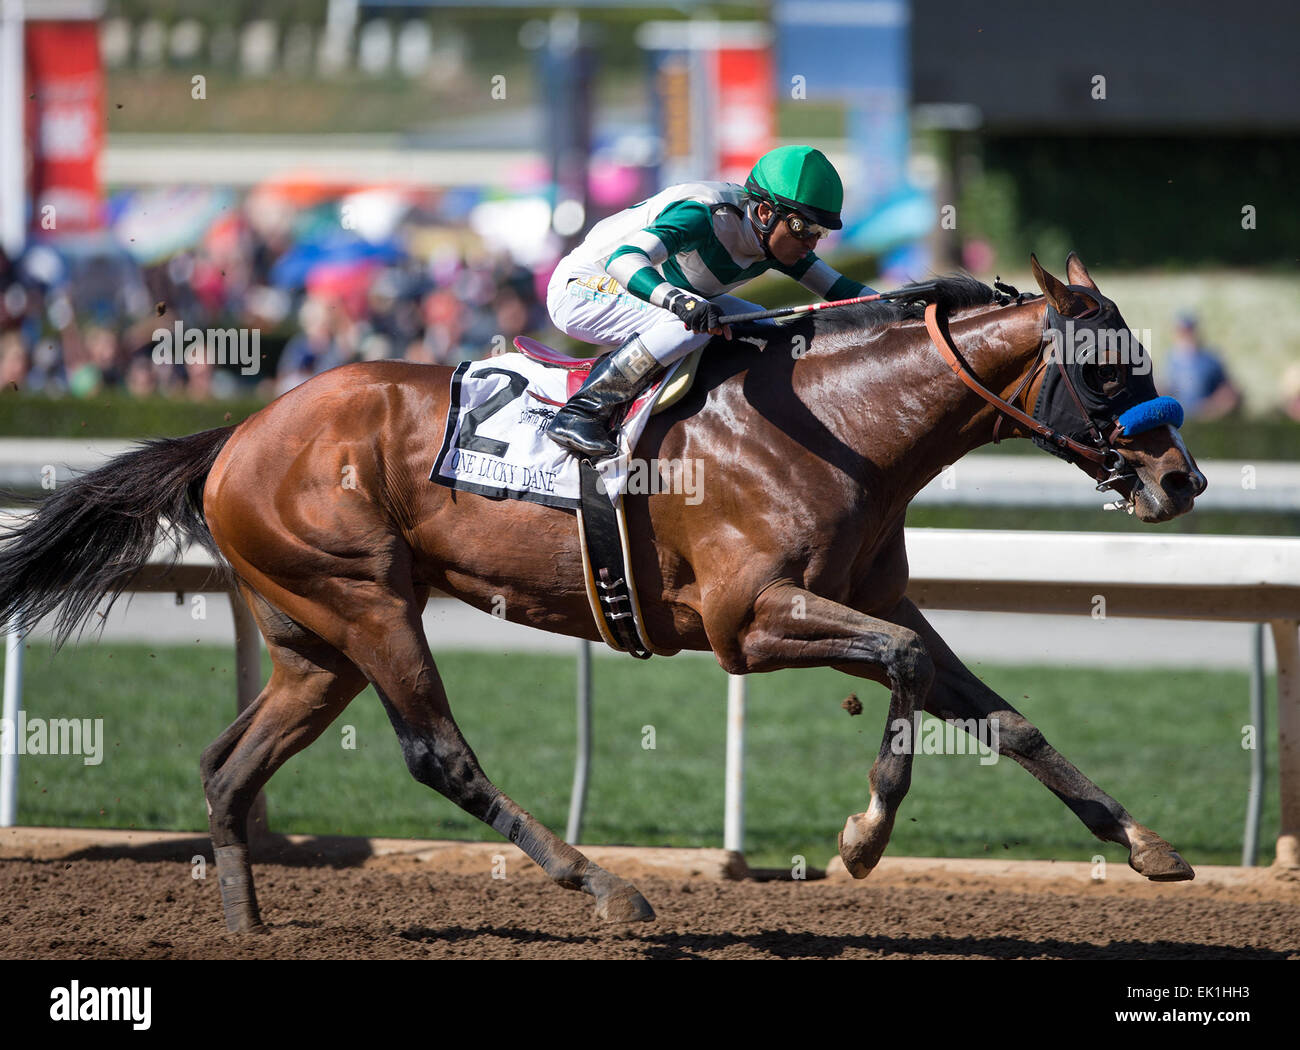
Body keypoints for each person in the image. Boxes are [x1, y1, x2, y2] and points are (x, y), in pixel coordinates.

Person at [544, 145, 875, 458]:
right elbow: (623, 259)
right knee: (686, 325)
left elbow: (839, 289)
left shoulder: (775, 236)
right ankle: (582, 410)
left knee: (762, 324)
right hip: (583, 286)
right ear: (764, 212)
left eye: (820, 232)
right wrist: (680, 304)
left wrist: (906, 305)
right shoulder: (703, 215)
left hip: (647, 290)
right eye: (804, 227)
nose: (812, 243)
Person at [1163, 312, 1241, 421]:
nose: (1185, 335)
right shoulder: (1170, 360)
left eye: (1188, 331)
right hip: (1180, 415)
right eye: (1181, 331)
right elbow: (1167, 389)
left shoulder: (1211, 359)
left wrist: (1211, 406)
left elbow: (1228, 391)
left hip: (1207, 415)